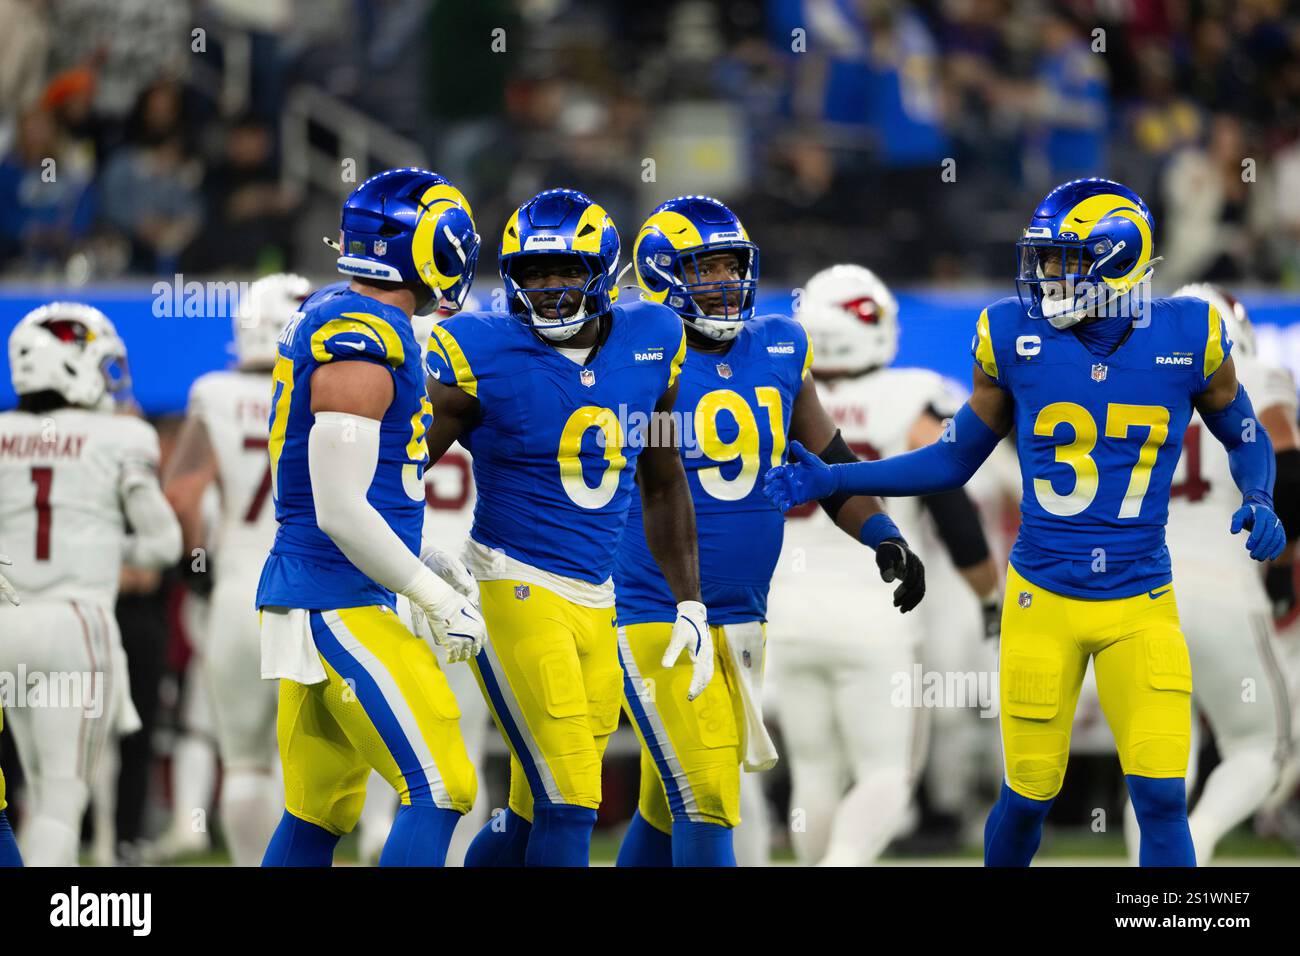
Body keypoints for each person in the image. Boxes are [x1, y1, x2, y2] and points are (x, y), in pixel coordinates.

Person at [763, 178, 1286, 867]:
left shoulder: (1191, 334)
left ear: (1116, 261)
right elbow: (952, 460)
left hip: (1143, 602)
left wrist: (1260, 494)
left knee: (1161, 797)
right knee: (1027, 798)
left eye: (1064, 259)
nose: (1045, 274)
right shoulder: (1014, 334)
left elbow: (1245, 433)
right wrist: (840, 479)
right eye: (1044, 257)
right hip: (1044, 600)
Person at [612, 199, 925, 867]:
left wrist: (883, 534)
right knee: (708, 795)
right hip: (658, 612)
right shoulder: (639, 354)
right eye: (705, 269)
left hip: (744, 617)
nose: (725, 281)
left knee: (665, 808)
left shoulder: (781, 345)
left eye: (732, 266)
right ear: (662, 275)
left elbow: (830, 463)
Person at [425, 187, 709, 867]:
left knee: (528, 812)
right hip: (513, 583)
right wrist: (410, 560)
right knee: (574, 796)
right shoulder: (477, 349)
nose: (550, 289)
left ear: (602, 271)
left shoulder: (655, 338)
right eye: (534, 274)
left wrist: (690, 600)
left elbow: (662, 476)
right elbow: (401, 466)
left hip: (597, 596)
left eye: (566, 272)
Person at [255, 168, 486, 867]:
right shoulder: (362, 335)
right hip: (337, 596)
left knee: (318, 812)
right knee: (443, 783)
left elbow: (361, 490)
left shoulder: (347, 310)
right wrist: (432, 593)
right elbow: (338, 508)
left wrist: (417, 554)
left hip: (321, 591)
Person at [768, 263, 1000, 865]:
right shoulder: (913, 396)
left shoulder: (777, 392)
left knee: (815, 773)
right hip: (879, 613)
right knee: (887, 777)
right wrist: (988, 596)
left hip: (786, 614)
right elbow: (954, 513)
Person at [1119, 283, 1297, 864]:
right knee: (1262, 746)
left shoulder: (1132, 383)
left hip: (1142, 591)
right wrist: (1282, 564)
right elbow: (1290, 471)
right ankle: (1197, 841)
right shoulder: (1254, 375)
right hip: (1224, 587)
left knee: (1157, 756)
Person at [0, 302, 182, 865]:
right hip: (76, 624)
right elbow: (164, 543)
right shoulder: (121, 437)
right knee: (61, 799)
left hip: (8, 623)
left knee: (32, 790)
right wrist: (104, 548)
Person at [163, 273, 312, 865]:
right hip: (307, 587)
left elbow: (182, 492)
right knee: (303, 756)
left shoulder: (215, 392)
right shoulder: (329, 389)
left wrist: (196, 563)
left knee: (244, 761)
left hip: (236, 592)